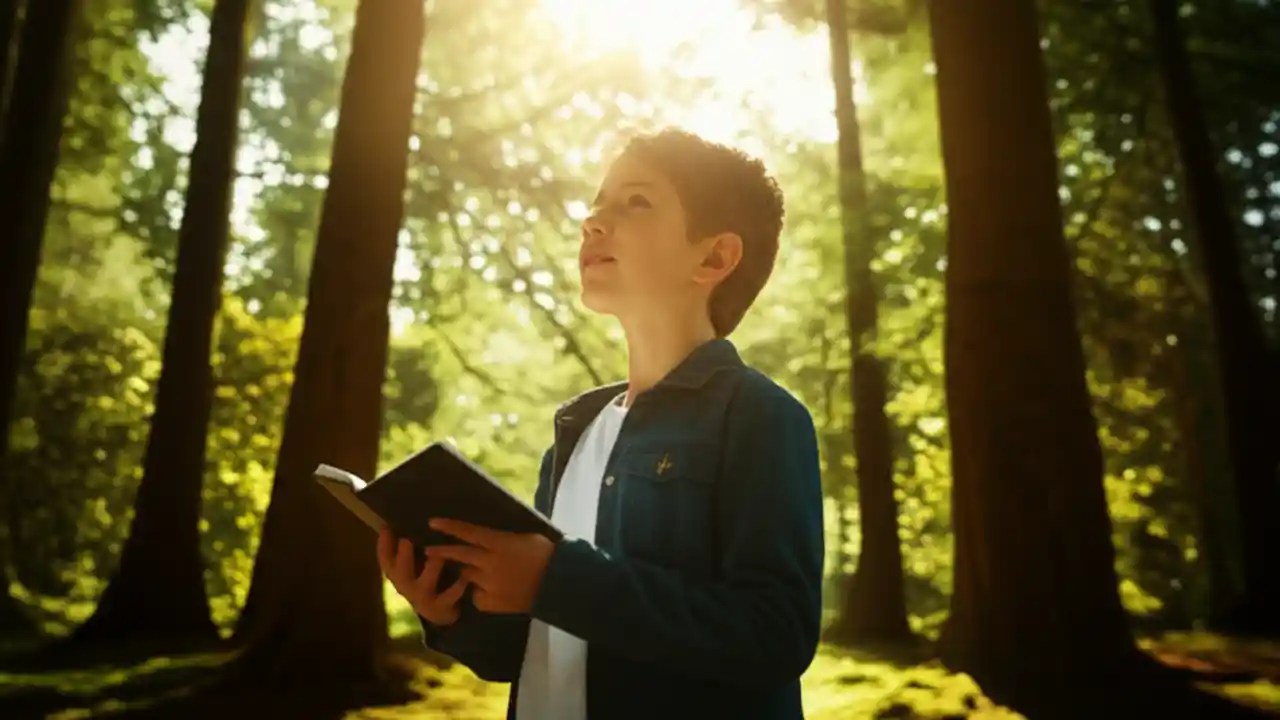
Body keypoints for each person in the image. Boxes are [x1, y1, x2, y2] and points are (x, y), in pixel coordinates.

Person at [378, 127, 824, 719]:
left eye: (635, 202)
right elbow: (526, 651)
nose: (593, 221)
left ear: (714, 257)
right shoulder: (575, 431)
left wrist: (556, 578)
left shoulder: (760, 416)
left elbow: (774, 635)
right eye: (597, 202)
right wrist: (447, 611)